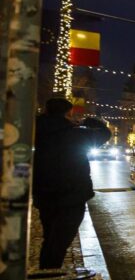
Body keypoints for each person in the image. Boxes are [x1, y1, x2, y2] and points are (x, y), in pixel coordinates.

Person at [32, 98, 111, 269]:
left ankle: (47, 270)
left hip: (43, 194)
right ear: (69, 113)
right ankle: (49, 273)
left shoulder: (33, 132)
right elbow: (105, 133)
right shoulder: (76, 134)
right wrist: (87, 122)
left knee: (50, 235)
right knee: (60, 239)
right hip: (72, 195)